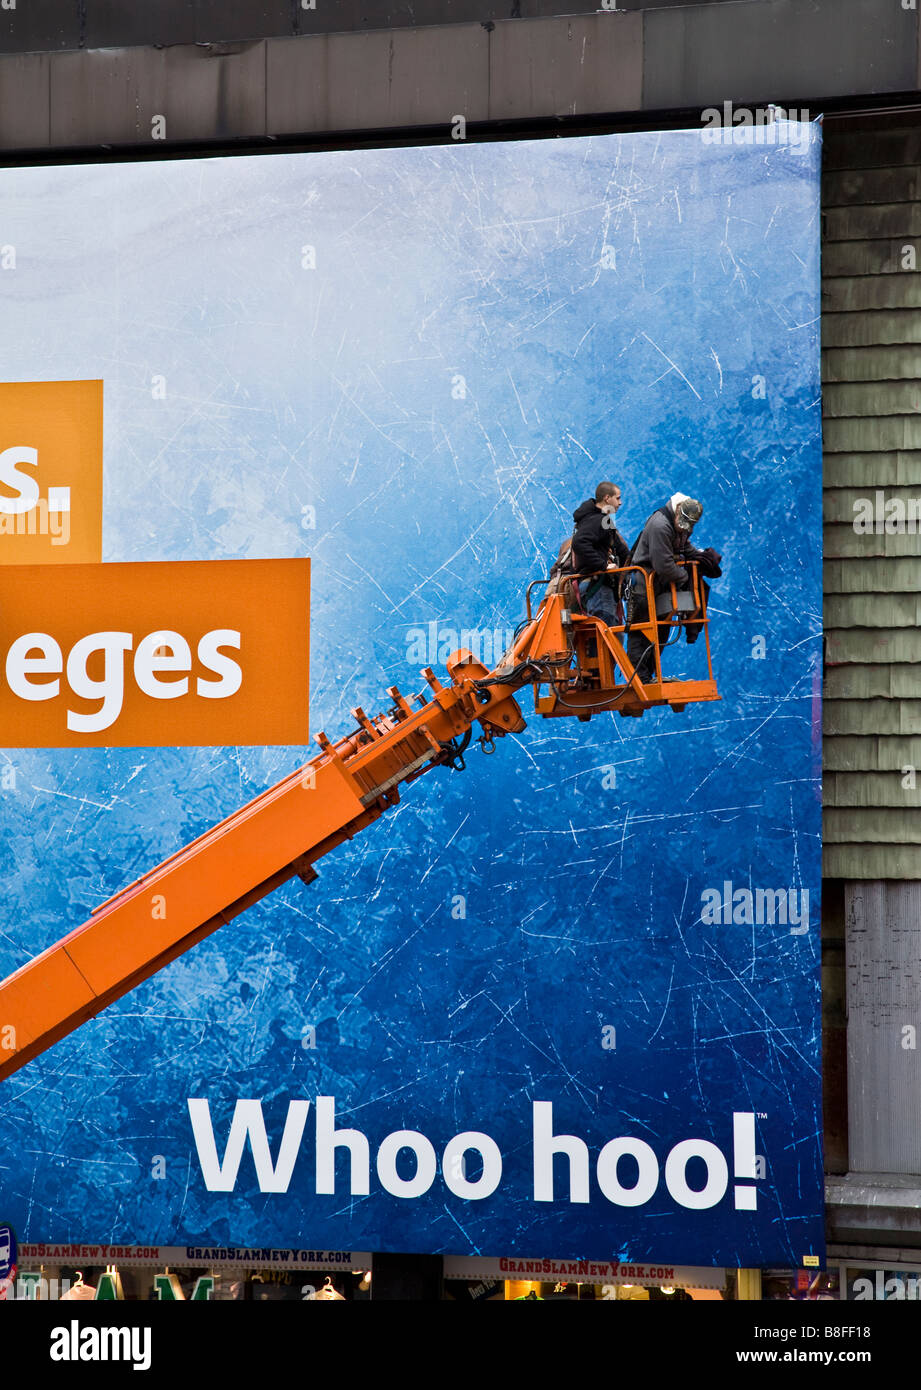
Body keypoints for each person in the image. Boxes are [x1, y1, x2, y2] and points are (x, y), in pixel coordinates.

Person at [625, 493, 721, 680]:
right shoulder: (660, 525)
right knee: (642, 632)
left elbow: (684, 547)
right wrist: (686, 577)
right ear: (678, 510)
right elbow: (664, 565)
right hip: (643, 585)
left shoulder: (683, 523)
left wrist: (700, 557)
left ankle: (648, 677)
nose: (685, 528)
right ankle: (637, 680)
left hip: (660, 585)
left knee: (660, 631)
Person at [571, 481, 629, 626]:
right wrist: (603, 565)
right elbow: (579, 543)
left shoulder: (605, 519)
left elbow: (619, 548)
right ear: (607, 498)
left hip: (599, 588)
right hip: (598, 588)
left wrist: (634, 561)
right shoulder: (598, 519)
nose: (620, 503)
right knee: (606, 633)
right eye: (618, 498)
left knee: (612, 634)